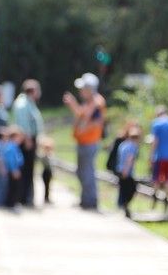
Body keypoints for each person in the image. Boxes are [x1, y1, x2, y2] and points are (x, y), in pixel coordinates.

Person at [63, 72, 107, 210]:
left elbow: (95, 121)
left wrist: (83, 129)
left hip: (90, 142)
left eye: (83, 88)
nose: (81, 91)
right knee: (82, 172)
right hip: (83, 142)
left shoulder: (97, 102)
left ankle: (90, 201)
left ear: (89, 89)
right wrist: (73, 105)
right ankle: (85, 199)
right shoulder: (89, 102)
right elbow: (81, 114)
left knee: (87, 172)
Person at [11, 79, 44, 206]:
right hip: (26, 141)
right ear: (33, 91)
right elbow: (23, 124)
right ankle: (23, 197)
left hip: (28, 139)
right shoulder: (23, 103)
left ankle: (26, 196)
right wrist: (28, 139)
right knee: (26, 169)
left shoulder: (28, 102)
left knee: (29, 170)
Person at [116, 125, 142, 218]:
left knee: (123, 190)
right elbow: (129, 159)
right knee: (132, 189)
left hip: (119, 169)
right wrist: (126, 171)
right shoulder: (133, 146)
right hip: (126, 171)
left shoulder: (123, 144)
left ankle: (123, 206)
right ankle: (124, 205)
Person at [2, 126, 25, 209]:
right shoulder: (11, 147)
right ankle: (11, 203)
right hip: (14, 170)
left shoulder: (14, 146)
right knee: (13, 187)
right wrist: (14, 170)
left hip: (16, 169)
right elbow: (11, 160)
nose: (21, 139)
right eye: (19, 137)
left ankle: (13, 203)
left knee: (15, 187)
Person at [38, 135, 55, 204]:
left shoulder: (50, 155)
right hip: (46, 172)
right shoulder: (44, 156)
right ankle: (46, 198)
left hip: (49, 172)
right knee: (46, 186)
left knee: (48, 186)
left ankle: (47, 197)